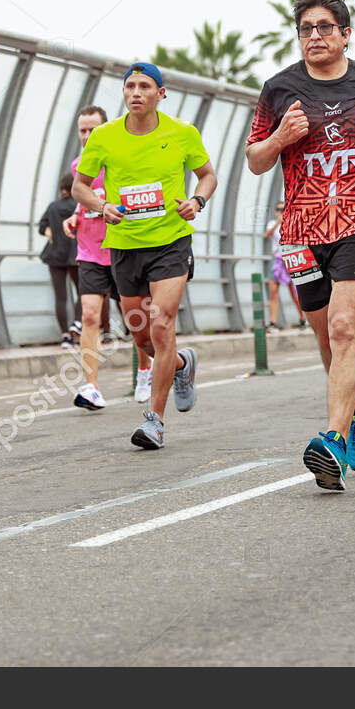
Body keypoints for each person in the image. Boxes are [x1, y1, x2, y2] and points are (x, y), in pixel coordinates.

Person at [245, 0, 355, 491]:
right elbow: (255, 161)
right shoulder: (278, 89)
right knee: (327, 337)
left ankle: (333, 440)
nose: (314, 36)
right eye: (305, 29)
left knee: (345, 326)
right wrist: (280, 138)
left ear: (345, 34)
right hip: (301, 226)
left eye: (324, 27)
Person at [74, 62, 216, 450]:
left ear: (160, 94)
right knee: (143, 338)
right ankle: (183, 365)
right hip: (124, 246)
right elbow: (80, 186)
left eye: (145, 86)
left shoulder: (182, 133)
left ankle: (155, 421)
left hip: (171, 242)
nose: (136, 93)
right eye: (130, 86)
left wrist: (196, 201)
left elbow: (208, 174)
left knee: (161, 324)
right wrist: (101, 208)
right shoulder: (103, 137)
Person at [65, 104, 137, 410]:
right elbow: (84, 197)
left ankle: (146, 372)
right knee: (91, 315)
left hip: (122, 248)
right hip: (89, 251)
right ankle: (91, 386)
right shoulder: (78, 165)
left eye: (92, 129)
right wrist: (73, 215)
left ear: (106, 128)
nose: (86, 135)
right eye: (82, 129)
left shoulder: (123, 160)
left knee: (137, 323)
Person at [37, 172, 79, 346]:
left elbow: (41, 227)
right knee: (85, 292)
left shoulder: (53, 206)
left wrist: (51, 233)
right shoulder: (78, 206)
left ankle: (65, 335)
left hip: (55, 255)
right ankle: (76, 325)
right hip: (75, 254)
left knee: (60, 296)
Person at [263, 201, 302, 330]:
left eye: (283, 209)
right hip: (277, 260)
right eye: (278, 209)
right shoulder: (272, 224)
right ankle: (272, 323)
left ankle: (303, 318)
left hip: (290, 258)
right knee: (273, 292)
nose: (281, 211)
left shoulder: (293, 223)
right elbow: (267, 235)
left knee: (295, 292)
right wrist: (278, 223)